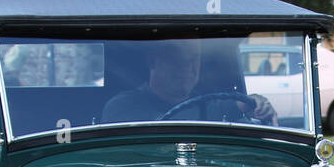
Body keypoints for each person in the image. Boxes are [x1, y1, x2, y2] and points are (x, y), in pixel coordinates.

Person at [102, 38, 277, 125]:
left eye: (194, 60)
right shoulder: (123, 107)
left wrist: (256, 104)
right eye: (176, 60)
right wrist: (234, 106)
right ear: (153, 62)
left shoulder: (208, 104)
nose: (187, 68)